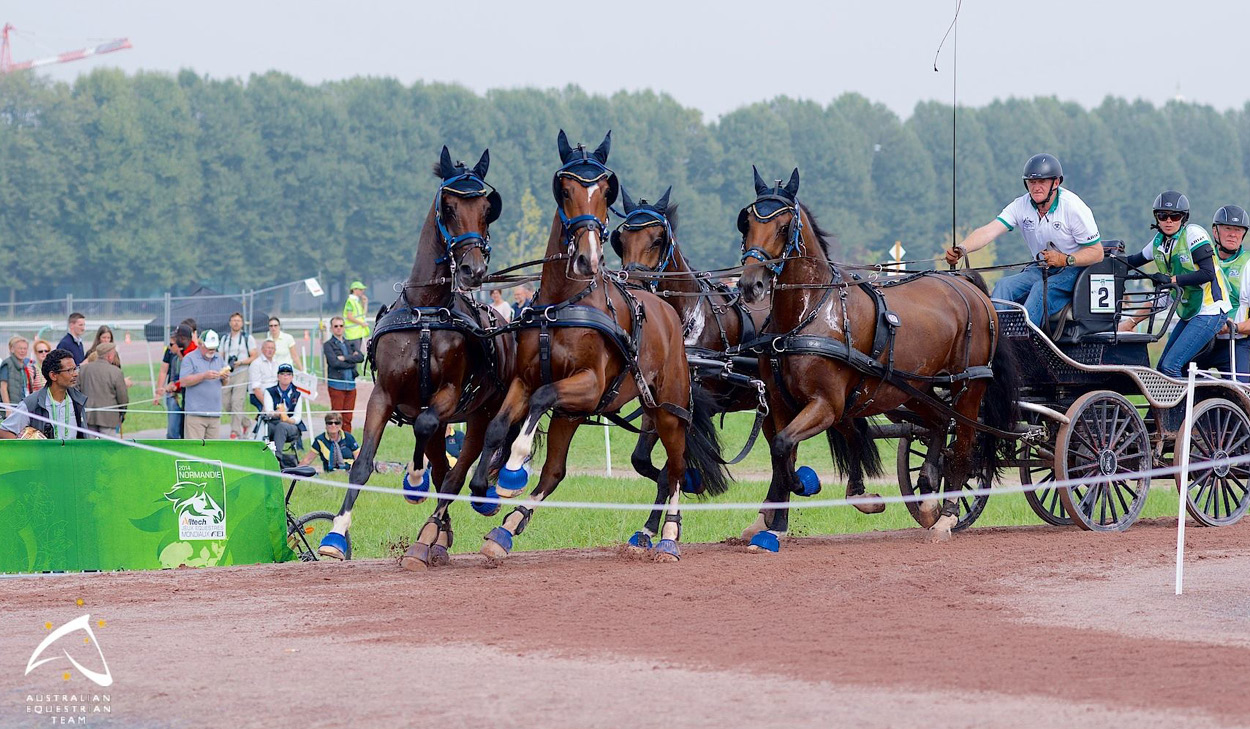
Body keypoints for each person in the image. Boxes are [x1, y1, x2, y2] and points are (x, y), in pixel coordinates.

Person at [945, 153, 1104, 325]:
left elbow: (1097, 252)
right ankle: (999, 341)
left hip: (1074, 271)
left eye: (1042, 182)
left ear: (1056, 183)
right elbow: (989, 231)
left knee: (1039, 290)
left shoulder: (1074, 207)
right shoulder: (1021, 205)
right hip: (1042, 269)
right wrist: (962, 249)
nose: (1036, 187)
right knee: (1003, 286)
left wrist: (1065, 259)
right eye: (1031, 182)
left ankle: (1024, 343)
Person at [1120, 191, 1230, 378]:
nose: (1168, 221)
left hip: (1211, 310)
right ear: (1157, 218)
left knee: (1171, 367)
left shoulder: (1193, 234)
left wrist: (1172, 280)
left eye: (1175, 216)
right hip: (1190, 312)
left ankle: (1180, 408)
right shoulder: (1159, 243)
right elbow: (1130, 262)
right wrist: (1105, 258)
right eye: (1163, 216)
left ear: (1183, 218)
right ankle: (1183, 405)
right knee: (1162, 369)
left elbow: (1208, 273)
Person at [1192, 205, 1250, 382]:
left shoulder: (1247, 265)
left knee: (1242, 394)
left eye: (1238, 230)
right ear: (1215, 232)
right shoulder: (1202, 259)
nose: (1233, 234)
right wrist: (1132, 322)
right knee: (1177, 379)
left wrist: (1235, 328)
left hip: (1236, 342)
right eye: (1228, 228)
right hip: (1203, 341)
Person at [0, 348, 87, 439]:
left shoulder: (78, 400)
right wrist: (28, 449)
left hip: (72, 453)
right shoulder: (32, 403)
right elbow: (4, 431)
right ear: (53, 375)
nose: (75, 374)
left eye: (75, 369)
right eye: (69, 370)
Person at [179, 329, 229, 440]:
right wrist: (203, 376)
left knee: (212, 451)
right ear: (200, 344)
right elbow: (183, 381)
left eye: (214, 348)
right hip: (196, 414)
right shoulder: (189, 358)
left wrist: (225, 378)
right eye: (209, 347)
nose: (212, 350)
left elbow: (224, 383)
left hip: (214, 413)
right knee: (195, 450)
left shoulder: (219, 358)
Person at [219, 312, 258, 439]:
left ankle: (235, 432)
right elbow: (221, 355)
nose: (236, 323)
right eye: (234, 320)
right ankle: (246, 422)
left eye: (238, 321)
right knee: (226, 403)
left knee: (237, 402)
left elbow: (254, 356)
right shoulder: (225, 339)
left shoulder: (248, 338)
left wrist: (240, 362)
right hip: (227, 373)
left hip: (242, 371)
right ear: (230, 322)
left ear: (242, 323)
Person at [323, 316, 365, 433]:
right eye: (336, 326)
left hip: (351, 384)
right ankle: (335, 440)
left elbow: (361, 357)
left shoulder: (350, 343)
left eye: (341, 326)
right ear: (331, 328)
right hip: (337, 384)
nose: (339, 328)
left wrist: (345, 358)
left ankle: (347, 442)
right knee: (336, 417)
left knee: (348, 417)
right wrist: (352, 360)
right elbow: (334, 362)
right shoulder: (328, 345)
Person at [79, 342, 129, 437]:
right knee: (108, 449)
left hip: (88, 417)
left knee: (90, 448)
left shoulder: (83, 370)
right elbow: (123, 398)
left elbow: (77, 391)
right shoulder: (116, 372)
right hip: (109, 418)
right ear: (110, 356)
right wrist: (122, 413)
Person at [262, 363, 305, 467]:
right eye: (282, 374)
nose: (285, 376)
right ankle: (260, 456)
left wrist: (288, 420)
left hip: (291, 426)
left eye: (288, 374)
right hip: (274, 422)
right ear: (278, 376)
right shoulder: (270, 391)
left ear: (292, 377)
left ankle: (276, 459)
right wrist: (279, 414)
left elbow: (298, 417)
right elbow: (268, 411)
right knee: (265, 427)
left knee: (282, 426)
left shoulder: (297, 393)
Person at [1, 336, 32, 406]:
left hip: (23, 405)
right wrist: (8, 407)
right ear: (12, 349)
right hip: (12, 406)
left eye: (25, 348)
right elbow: (3, 387)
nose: (22, 351)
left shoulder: (25, 365)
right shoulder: (7, 363)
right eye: (20, 348)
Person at [342, 281, 371, 349]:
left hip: (357, 333)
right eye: (360, 289)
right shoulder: (350, 302)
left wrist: (365, 303)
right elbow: (349, 316)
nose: (362, 291)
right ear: (354, 290)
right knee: (355, 355)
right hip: (352, 334)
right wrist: (361, 323)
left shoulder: (356, 301)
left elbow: (363, 315)